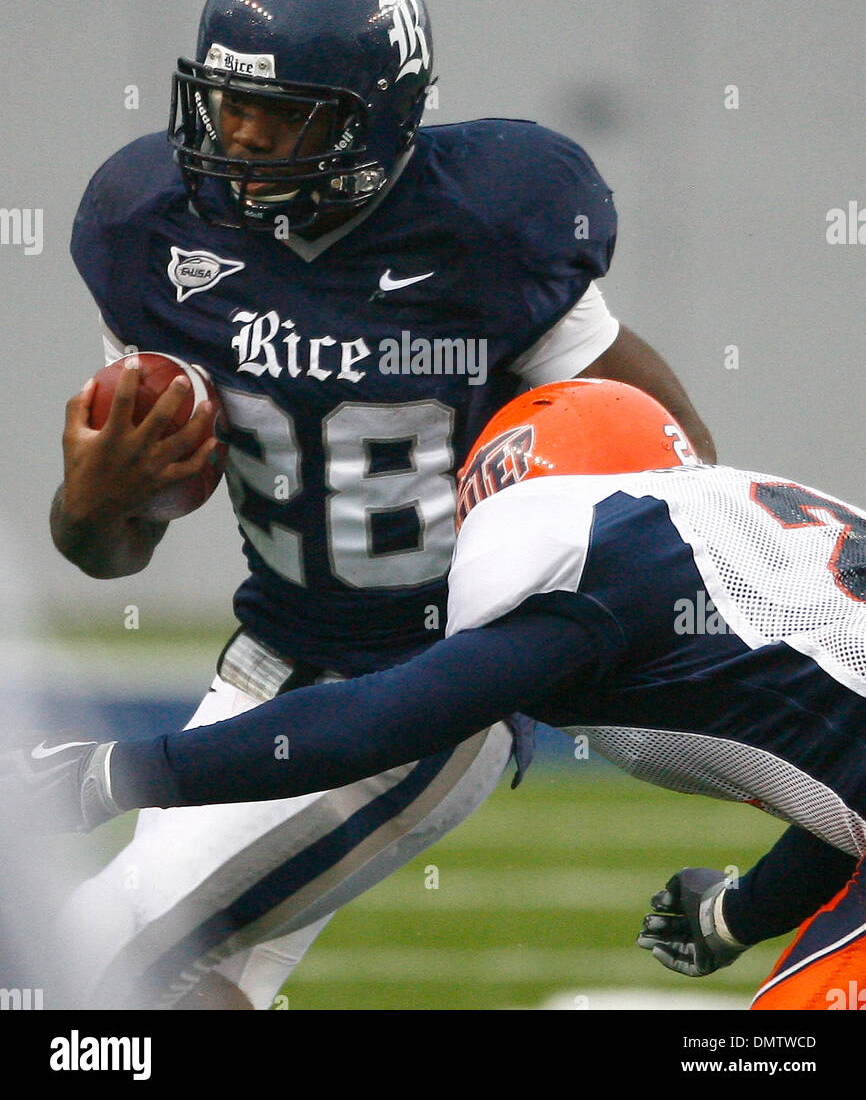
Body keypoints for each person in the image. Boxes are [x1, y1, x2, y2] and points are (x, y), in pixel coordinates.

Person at [49, 0, 714, 1010]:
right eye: (228, 102)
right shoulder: (155, 229)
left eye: (288, 110)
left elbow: (664, 442)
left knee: (96, 956)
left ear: (380, 113)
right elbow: (106, 551)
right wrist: (92, 501)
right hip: (258, 669)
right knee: (189, 981)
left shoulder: (491, 223)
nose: (246, 134)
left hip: (430, 692)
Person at [23, 379, 866, 1011]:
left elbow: (374, 724)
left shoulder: (609, 555)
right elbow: (846, 794)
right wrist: (739, 914)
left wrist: (109, 774)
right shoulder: (739, 532)